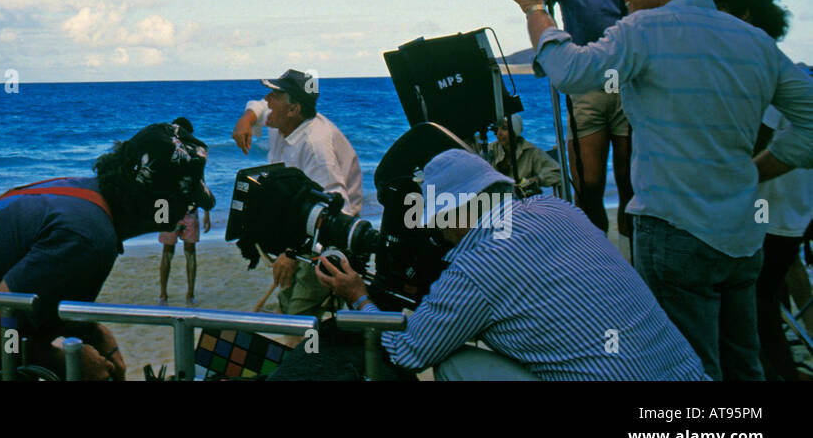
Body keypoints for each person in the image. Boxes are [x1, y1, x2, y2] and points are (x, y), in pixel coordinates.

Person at [511, 0, 813, 380]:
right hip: (743, 233)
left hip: (675, 229)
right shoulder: (756, 42)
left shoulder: (644, 31)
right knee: (743, 362)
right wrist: (752, 171)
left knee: (686, 367)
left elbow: (571, 72)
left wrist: (535, 10)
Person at [277, 149, 708, 380]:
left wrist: (359, 296)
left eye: (438, 222)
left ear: (454, 212)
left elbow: (408, 351)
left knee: (452, 362)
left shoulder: (478, 266)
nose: (437, 234)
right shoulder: (559, 211)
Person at [0, 121, 216, 381]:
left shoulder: (86, 196)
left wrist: (94, 333)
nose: (185, 214)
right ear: (156, 203)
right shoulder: (87, 238)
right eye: (184, 203)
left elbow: (42, 291)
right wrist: (65, 362)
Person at [710, 0, 813, 380]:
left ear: (745, 13)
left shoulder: (758, 63)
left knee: (755, 318)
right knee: (762, 310)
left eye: (719, 8)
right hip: (789, 213)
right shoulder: (778, 60)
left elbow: (754, 143)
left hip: (770, 216)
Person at [518, 0, 631, 236]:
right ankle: (595, 256)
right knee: (588, 183)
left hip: (630, 83)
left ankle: (638, 257)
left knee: (632, 183)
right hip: (586, 84)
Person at [232, 69, 363, 315]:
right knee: (287, 302)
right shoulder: (282, 119)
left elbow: (335, 210)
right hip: (300, 233)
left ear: (293, 109)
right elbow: (259, 107)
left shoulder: (316, 146)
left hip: (326, 242)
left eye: (275, 95)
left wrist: (292, 253)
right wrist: (246, 120)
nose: (267, 99)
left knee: (300, 314)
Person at [158, 117, 211, 306]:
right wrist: (206, 211)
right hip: (184, 208)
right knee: (184, 251)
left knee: (170, 250)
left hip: (175, 208)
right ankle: (186, 295)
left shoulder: (165, 150)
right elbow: (201, 184)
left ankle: (167, 295)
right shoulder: (195, 153)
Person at [484, 114, 562, 196]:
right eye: (496, 129)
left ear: (515, 130)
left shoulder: (531, 152)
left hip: (523, 203)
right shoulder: (490, 149)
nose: (499, 133)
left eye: (504, 128)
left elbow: (556, 173)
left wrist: (538, 179)